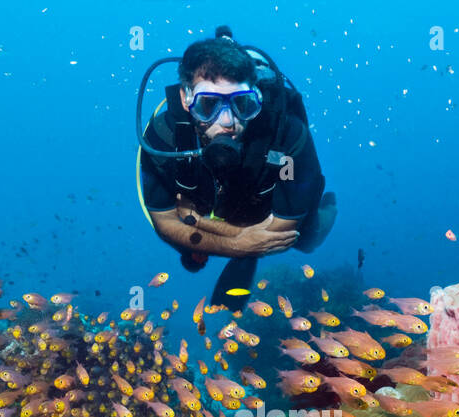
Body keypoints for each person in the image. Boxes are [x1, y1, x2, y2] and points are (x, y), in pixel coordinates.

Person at [136, 27, 336, 310]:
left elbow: (282, 231)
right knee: (188, 252)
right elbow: (163, 223)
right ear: (185, 98)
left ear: (257, 98)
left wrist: (196, 223)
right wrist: (243, 244)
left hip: (265, 205)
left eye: (242, 104)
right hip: (229, 213)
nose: (228, 121)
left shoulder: (285, 136)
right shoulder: (162, 137)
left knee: (306, 238)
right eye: (208, 105)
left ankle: (331, 208)